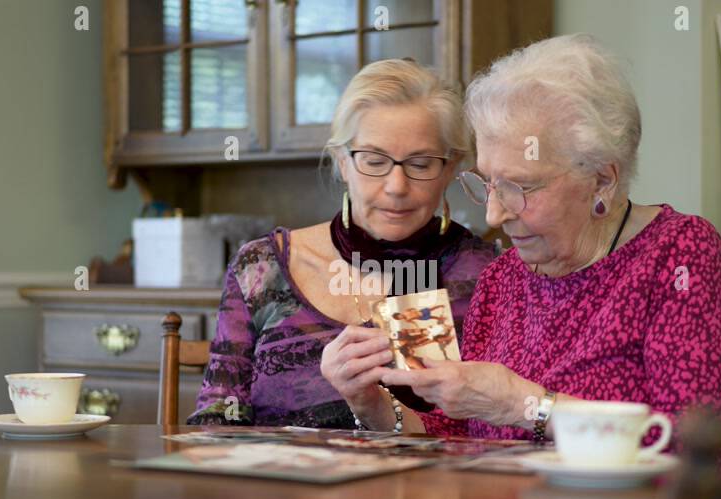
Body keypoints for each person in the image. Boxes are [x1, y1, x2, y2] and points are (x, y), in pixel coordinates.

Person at [324, 36, 721, 499]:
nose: (494, 214)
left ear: (601, 180)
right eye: (488, 184)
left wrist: (525, 405)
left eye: (519, 187)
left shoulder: (680, 255)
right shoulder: (502, 282)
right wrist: (373, 406)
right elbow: (452, 438)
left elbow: (695, 458)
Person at [187, 59, 496, 427]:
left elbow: (495, 431)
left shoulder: (488, 274)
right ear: (342, 162)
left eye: (421, 163)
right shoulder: (262, 267)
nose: (396, 186)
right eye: (374, 160)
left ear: (450, 168)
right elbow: (217, 418)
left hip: (434, 485)